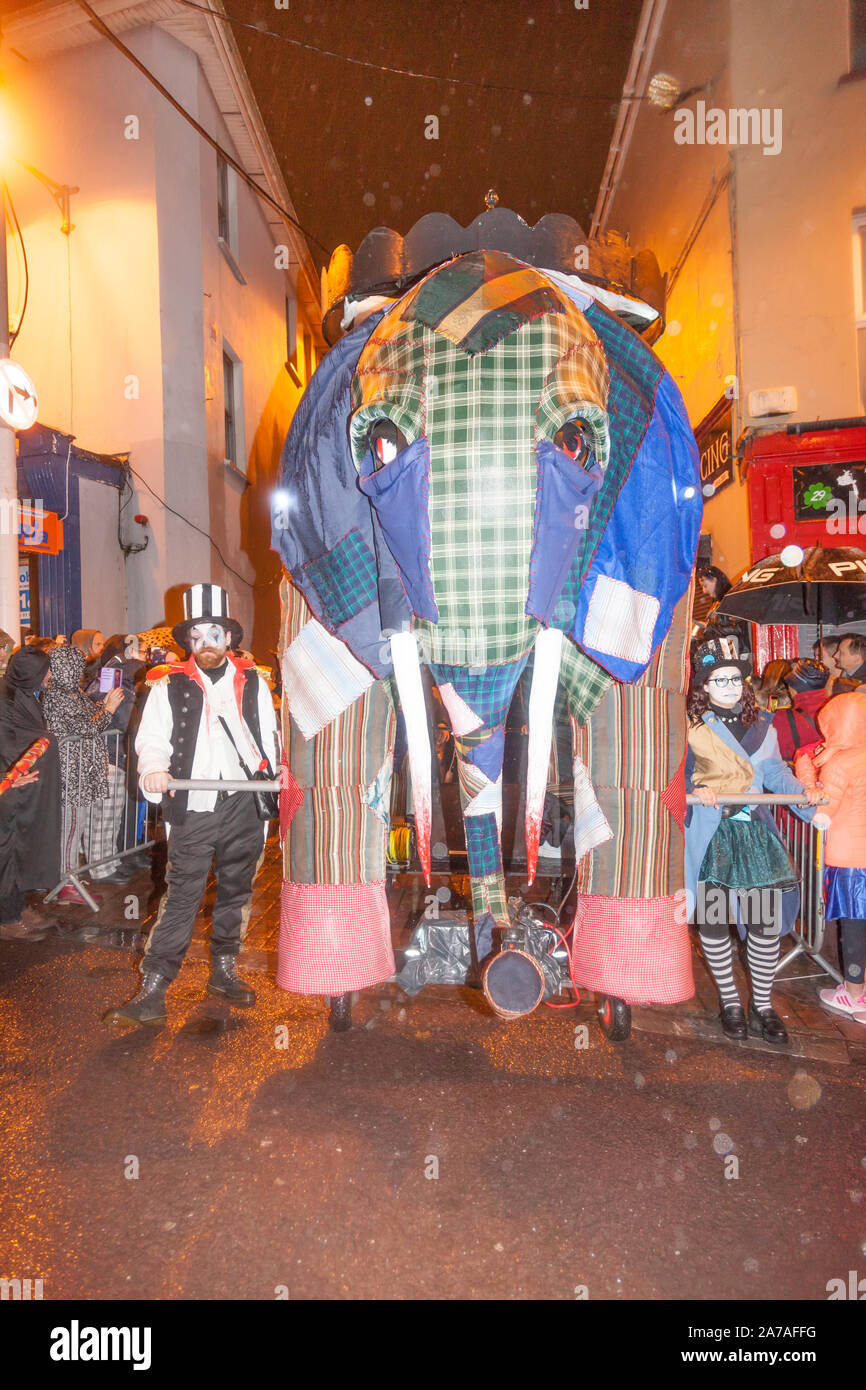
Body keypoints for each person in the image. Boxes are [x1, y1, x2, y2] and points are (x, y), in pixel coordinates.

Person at [105, 584, 279, 1028]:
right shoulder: (168, 685)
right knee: (182, 895)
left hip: (246, 799)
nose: (206, 644)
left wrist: (273, 779)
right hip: (195, 802)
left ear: (228, 639)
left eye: (214, 634)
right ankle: (154, 988)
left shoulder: (255, 680)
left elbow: (269, 735)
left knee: (236, 892)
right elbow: (151, 738)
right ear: (188, 642)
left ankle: (224, 971)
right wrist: (155, 770)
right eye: (197, 636)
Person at [685, 635, 823, 1044]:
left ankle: (762, 1005)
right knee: (713, 925)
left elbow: (776, 774)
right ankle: (730, 1002)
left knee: (763, 927)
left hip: (753, 836)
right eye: (719, 680)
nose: (729, 686)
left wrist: (806, 798)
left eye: (735, 679)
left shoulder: (762, 723)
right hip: (710, 835)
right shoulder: (689, 726)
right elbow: (675, 774)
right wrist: (696, 787)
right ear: (704, 686)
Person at [794, 694, 866, 1025]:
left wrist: (805, 770)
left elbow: (821, 812)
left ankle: (854, 994)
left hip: (851, 859)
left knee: (853, 926)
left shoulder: (839, 762)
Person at [42, 645, 124, 905]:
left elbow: (88, 716)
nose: (79, 671)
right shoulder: (58, 695)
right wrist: (108, 708)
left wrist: (104, 704)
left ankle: (71, 875)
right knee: (70, 830)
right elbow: (86, 727)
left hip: (82, 772)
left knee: (75, 829)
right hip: (71, 774)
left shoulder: (70, 692)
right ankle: (66, 882)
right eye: (76, 666)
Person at [0, 647, 62, 941]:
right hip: (9, 791)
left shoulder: (24, 696)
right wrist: (8, 777)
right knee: (7, 852)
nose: (49, 676)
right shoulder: (4, 701)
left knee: (22, 848)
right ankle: (7, 917)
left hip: (27, 792)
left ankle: (19, 906)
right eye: (44, 671)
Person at [84, 634, 147, 883]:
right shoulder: (115, 681)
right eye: (139, 651)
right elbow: (113, 718)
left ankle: (110, 861)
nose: (143, 656)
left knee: (112, 815)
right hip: (109, 756)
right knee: (104, 817)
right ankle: (101, 867)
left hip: (118, 756)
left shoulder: (120, 682)